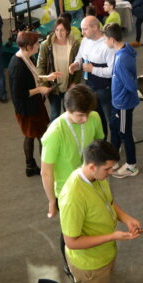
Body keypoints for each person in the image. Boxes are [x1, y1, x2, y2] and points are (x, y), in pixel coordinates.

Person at [59, 139, 142, 283]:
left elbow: (109, 202)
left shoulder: (97, 176)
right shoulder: (73, 197)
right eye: (108, 169)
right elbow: (71, 241)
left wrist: (126, 218)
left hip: (104, 255)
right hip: (90, 264)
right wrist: (113, 235)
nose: (111, 173)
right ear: (92, 166)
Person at [40, 84, 106, 220]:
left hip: (91, 182)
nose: (86, 119)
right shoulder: (55, 132)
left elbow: (99, 147)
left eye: (87, 113)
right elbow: (46, 172)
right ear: (67, 109)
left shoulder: (94, 117)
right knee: (71, 232)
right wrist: (52, 201)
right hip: (67, 190)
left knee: (91, 224)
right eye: (80, 115)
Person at [9, 31, 60, 177]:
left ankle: (31, 166)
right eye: (36, 43)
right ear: (28, 46)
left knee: (31, 135)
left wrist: (46, 77)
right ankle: (44, 168)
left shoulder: (25, 58)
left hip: (33, 106)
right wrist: (40, 89)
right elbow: (19, 94)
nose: (39, 45)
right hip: (27, 109)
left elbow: (33, 75)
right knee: (40, 136)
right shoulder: (17, 67)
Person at [103, 24, 139, 179]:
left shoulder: (121, 60)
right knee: (114, 128)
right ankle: (113, 159)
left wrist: (122, 95)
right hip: (117, 103)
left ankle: (131, 166)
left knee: (125, 133)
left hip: (123, 104)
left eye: (105, 39)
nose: (104, 41)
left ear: (112, 39)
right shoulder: (124, 50)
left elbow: (131, 85)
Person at [71, 17, 116, 139]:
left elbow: (112, 71)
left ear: (95, 28)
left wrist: (93, 69)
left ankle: (116, 143)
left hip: (105, 89)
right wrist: (76, 64)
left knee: (111, 118)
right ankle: (103, 141)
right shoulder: (85, 41)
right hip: (89, 87)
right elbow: (80, 57)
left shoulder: (108, 45)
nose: (82, 32)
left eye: (85, 29)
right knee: (96, 117)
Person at [38, 17, 81, 117]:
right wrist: (45, 84)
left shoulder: (75, 45)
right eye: (57, 30)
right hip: (53, 88)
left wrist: (74, 83)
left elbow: (79, 65)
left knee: (70, 115)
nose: (59, 33)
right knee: (55, 115)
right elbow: (41, 66)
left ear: (67, 31)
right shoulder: (46, 45)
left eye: (62, 30)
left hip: (69, 86)